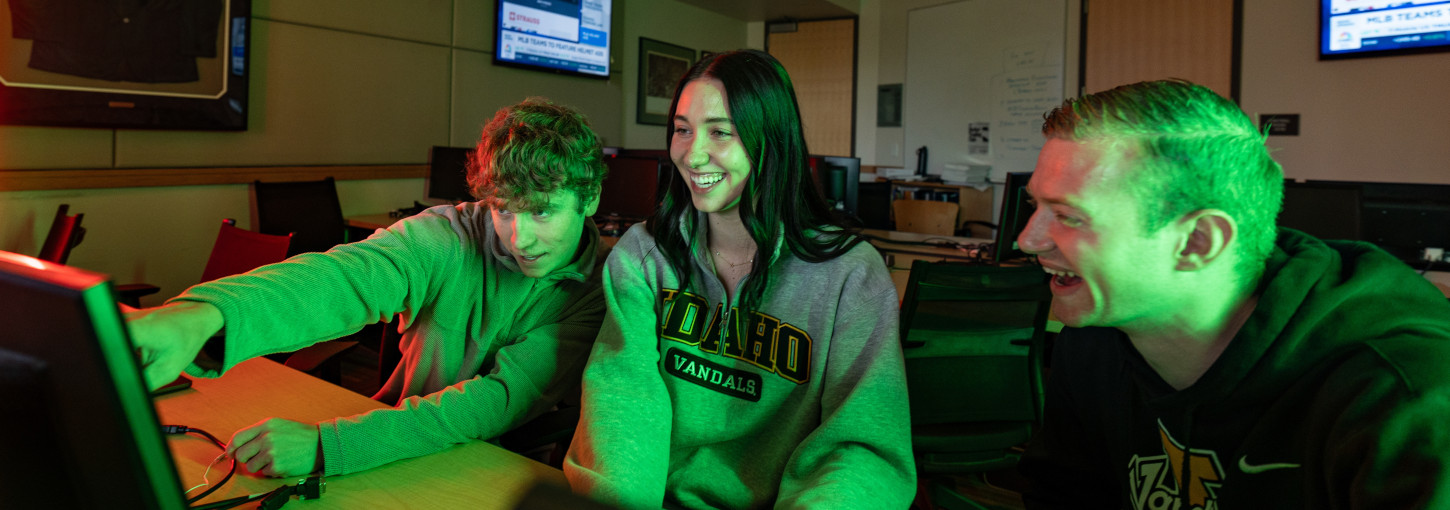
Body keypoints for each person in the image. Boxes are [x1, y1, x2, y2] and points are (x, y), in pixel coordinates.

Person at [1015, 79, 1450, 508]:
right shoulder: (1098, 333)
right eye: (1036, 206)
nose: (1027, 240)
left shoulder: (1403, 395)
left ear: (1197, 243)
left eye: (1069, 216)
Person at [126, 97, 608, 478]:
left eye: (541, 211)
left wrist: (328, 446)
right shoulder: (447, 237)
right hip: (390, 444)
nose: (518, 237)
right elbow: (342, 278)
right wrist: (204, 316)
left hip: (483, 465)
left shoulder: (598, 292)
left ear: (589, 199)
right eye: (504, 208)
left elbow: (491, 404)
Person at [562, 49, 915, 508]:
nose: (693, 153)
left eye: (720, 132)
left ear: (770, 140)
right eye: (683, 129)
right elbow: (623, 403)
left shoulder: (850, 275)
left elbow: (861, 447)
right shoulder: (643, 255)